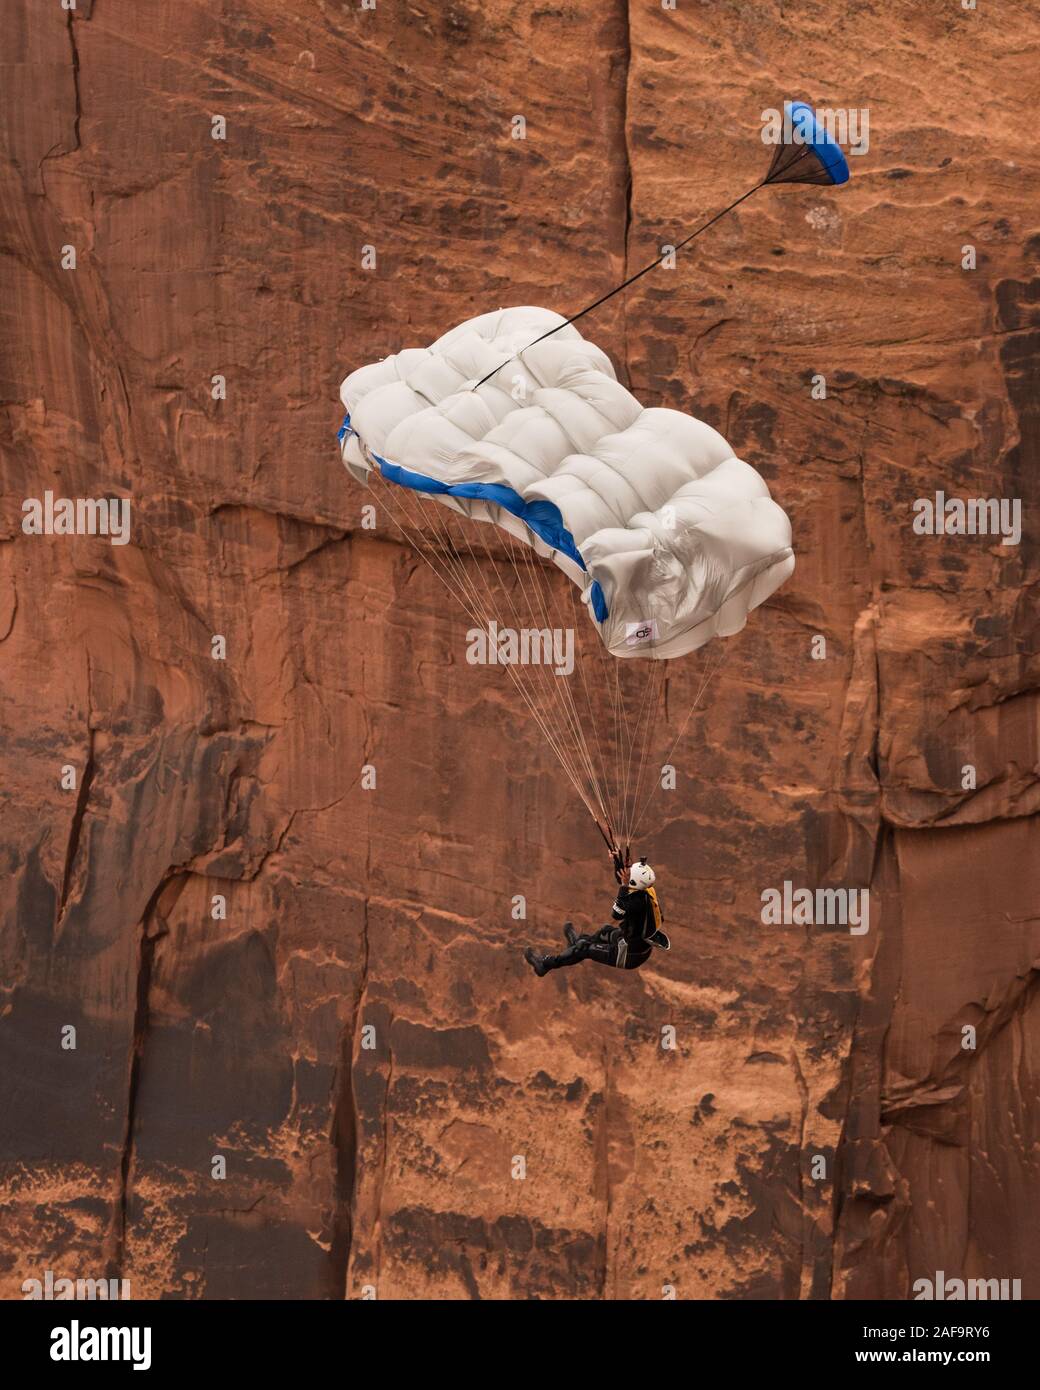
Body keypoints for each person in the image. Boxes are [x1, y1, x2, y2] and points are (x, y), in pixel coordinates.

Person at [524, 858, 670, 976]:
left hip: (627, 955)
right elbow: (625, 882)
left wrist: (624, 886)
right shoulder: (646, 890)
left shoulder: (636, 903)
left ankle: (544, 964)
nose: (627, 874)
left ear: (633, 883)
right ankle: (576, 945)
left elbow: (617, 913)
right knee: (604, 931)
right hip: (633, 943)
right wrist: (617, 862)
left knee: (584, 949)